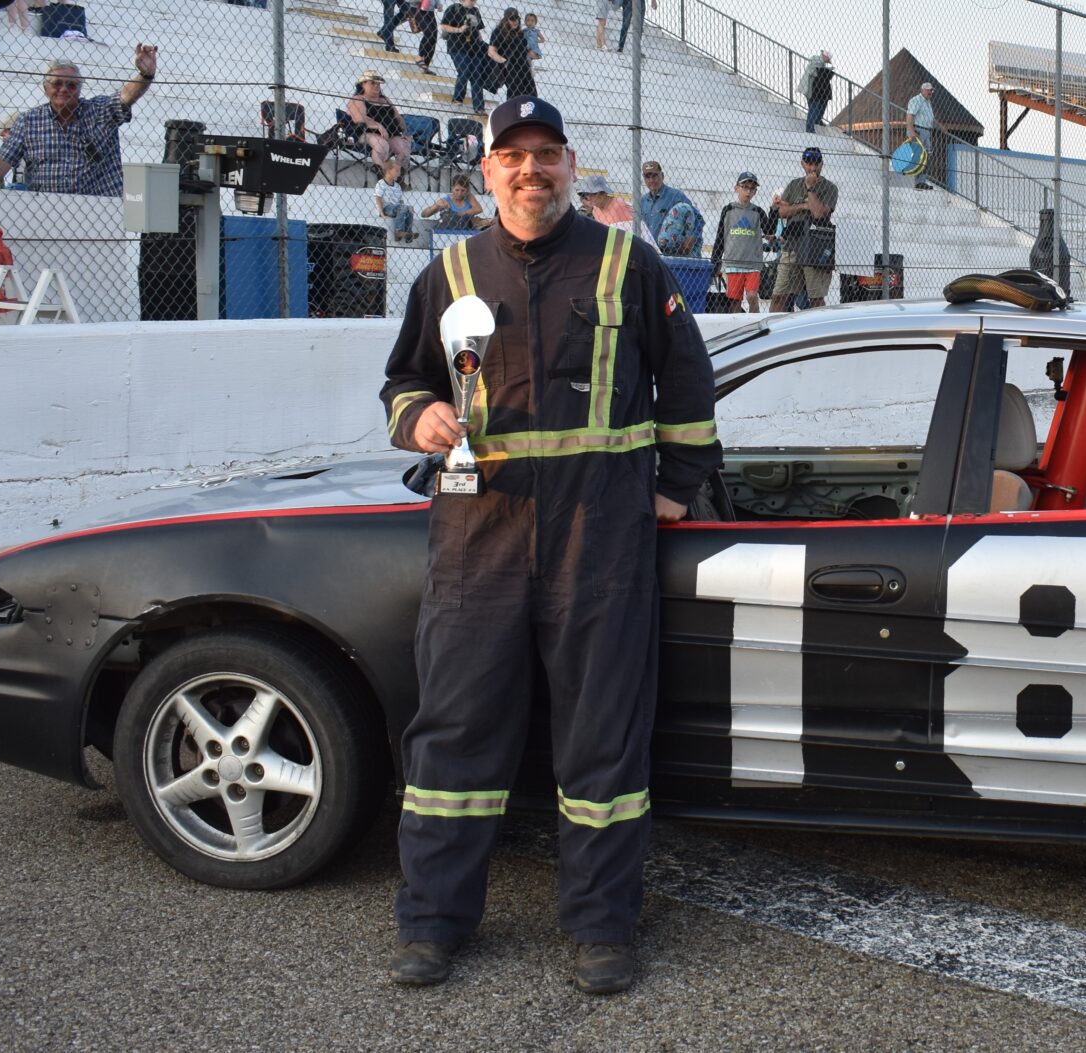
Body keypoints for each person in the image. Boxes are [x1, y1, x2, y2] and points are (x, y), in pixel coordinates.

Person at [378, 93, 719, 996]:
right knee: (453, 737)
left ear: (572, 166)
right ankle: (431, 922)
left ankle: (603, 927)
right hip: (476, 538)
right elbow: (402, 381)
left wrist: (678, 488)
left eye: (548, 155)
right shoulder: (445, 274)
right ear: (486, 171)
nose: (532, 170)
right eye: (513, 157)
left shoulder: (629, 265)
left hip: (599, 542)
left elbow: (687, 385)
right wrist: (419, 418)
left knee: (602, 744)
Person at [0, 49, 159, 195]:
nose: (64, 89)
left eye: (71, 85)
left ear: (79, 90)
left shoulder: (99, 111)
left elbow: (126, 96)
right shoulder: (28, 121)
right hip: (46, 208)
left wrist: (145, 75)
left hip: (98, 207)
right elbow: (2, 161)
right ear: (46, 88)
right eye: (57, 84)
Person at [769, 145, 837, 312]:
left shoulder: (830, 188)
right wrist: (804, 206)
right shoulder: (793, 185)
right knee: (779, 296)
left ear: (822, 164)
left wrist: (810, 189)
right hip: (792, 245)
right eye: (809, 163)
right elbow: (783, 212)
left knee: (816, 299)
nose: (812, 168)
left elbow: (819, 214)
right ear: (802, 164)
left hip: (815, 248)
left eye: (816, 164)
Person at [709, 171, 769, 313]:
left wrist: (773, 209)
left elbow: (769, 229)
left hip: (752, 263)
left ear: (755, 191)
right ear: (736, 188)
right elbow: (720, 238)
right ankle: (738, 327)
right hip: (733, 262)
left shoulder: (757, 211)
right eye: (744, 187)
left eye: (752, 189)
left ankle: (755, 323)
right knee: (735, 301)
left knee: (752, 296)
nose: (748, 192)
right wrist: (715, 263)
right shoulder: (728, 209)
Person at [348, 72, 413, 168]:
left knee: (404, 149)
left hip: (390, 133)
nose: (376, 86)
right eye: (372, 83)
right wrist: (378, 126)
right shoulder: (358, 99)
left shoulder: (385, 99)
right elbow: (359, 118)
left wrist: (404, 132)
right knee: (382, 145)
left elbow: (397, 117)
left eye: (378, 84)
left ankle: (397, 177)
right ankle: (382, 176)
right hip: (366, 132)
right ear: (363, 84)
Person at [441, 0, 489, 115]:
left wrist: (482, 44)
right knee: (465, 71)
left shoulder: (475, 11)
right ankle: (457, 99)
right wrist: (459, 29)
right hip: (457, 47)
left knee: (477, 75)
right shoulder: (454, 8)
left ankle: (479, 107)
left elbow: (478, 31)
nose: (473, 2)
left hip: (474, 48)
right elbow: (443, 26)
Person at [486, 8, 536, 101]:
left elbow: (525, 51)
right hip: (510, 67)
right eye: (512, 19)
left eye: (517, 19)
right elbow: (491, 51)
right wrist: (505, 62)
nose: (515, 21)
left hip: (524, 66)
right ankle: (512, 113)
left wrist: (531, 61)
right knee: (515, 94)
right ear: (506, 20)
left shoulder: (520, 33)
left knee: (532, 94)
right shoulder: (499, 31)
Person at [635, 160, 691, 240]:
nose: (651, 180)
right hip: (648, 249)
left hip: (669, 251)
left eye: (654, 176)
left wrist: (689, 238)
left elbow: (695, 217)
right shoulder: (643, 202)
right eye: (647, 177)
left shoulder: (676, 196)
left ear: (662, 176)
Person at [574, 174, 642, 233]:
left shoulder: (619, 206)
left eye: (592, 194)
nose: (588, 198)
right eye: (586, 194)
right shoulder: (595, 209)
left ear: (603, 193)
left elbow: (637, 229)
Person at [421, 173, 489, 230]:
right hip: (448, 229)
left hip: (466, 229)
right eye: (457, 190)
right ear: (452, 188)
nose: (459, 193)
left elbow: (479, 209)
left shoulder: (469, 197)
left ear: (467, 190)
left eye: (463, 190)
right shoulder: (446, 200)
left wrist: (463, 213)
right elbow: (424, 214)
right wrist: (436, 205)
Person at [377, 159, 420, 243]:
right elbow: (378, 199)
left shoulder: (397, 186)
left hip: (396, 208)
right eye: (397, 171)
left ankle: (408, 233)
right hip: (386, 208)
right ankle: (398, 231)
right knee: (403, 208)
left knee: (409, 208)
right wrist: (381, 213)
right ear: (389, 171)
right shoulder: (381, 184)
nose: (399, 173)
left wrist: (405, 207)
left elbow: (399, 200)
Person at [905, 81, 936, 190]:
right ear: (922, 90)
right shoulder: (916, 100)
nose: (930, 92)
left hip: (926, 131)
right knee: (917, 155)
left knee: (926, 156)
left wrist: (941, 127)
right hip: (918, 129)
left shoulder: (928, 103)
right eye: (928, 90)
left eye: (931, 90)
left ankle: (921, 181)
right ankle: (913, 179)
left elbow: (931, 119)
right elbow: (910, 115)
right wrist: (911, 131)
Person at [802, 50, 832, 133]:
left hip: (814, 88)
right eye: (827, 59)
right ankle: (810, 128)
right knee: (814, 107)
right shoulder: (816, 60)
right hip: (811, 87)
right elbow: (814, 71)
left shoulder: (821, 62)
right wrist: (823, 71)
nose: (827, 61)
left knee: (816, 106)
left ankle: (816, 120)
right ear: (825, 56)